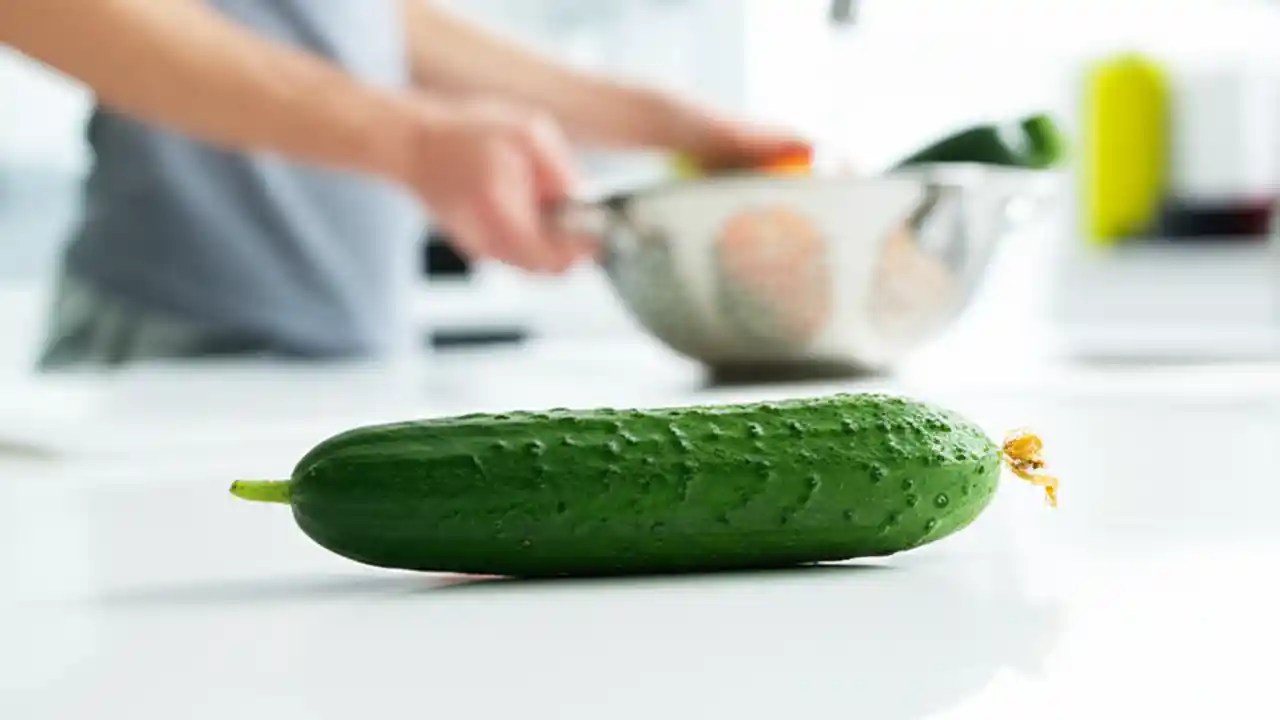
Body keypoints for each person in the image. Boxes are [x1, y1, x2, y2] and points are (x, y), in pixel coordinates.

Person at [0, 0, 807, 368]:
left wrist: (659, 120)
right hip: (169, 332)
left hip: (346, 333)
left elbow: (371, 17)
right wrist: (413, 138)